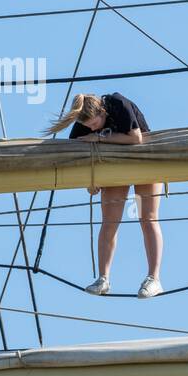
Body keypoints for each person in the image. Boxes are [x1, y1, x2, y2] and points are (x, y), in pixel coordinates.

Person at [45, 92, 164, 298]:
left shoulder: (118, 104)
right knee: (109, 222)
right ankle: (103, 279)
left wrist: (99, 137)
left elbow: (135, 138)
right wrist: (89, 182)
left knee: (148, 218)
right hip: (114, 166)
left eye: (94, 124)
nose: (92, 128)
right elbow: (76, 153)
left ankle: (154, 278)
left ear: (102, 111)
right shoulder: (84, 123)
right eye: (89, 127)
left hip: (144, 160)